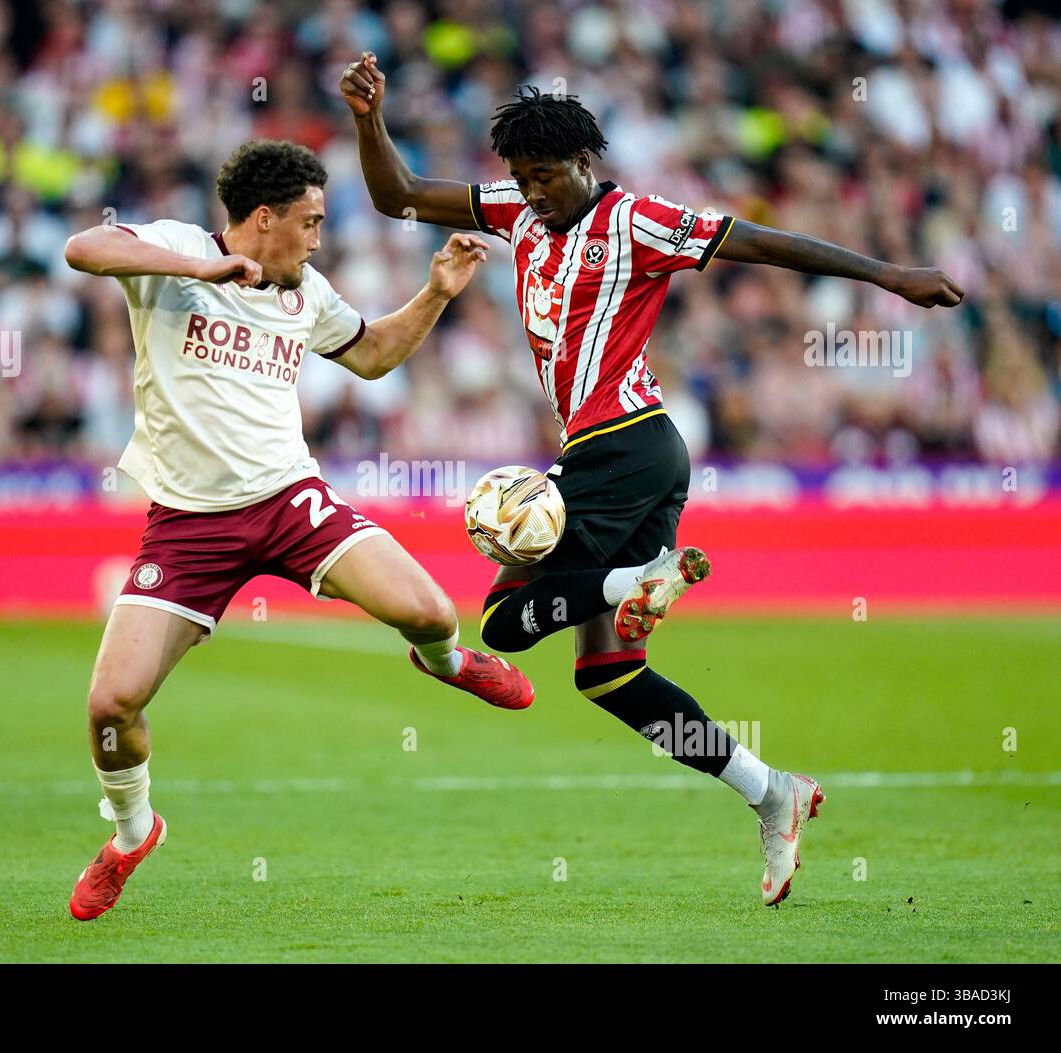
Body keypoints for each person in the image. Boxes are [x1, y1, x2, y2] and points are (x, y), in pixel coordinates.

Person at [340, 54, 964, 905]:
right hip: (638, 455)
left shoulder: (637, 221)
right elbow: (397, 195)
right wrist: (369, 118)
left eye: (547, 176)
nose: (533, 193)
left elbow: (762, 243)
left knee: (503, 623)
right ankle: (771, 790)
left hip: (620, 445)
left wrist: (890, 277)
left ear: (585, 164)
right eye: (522, 178)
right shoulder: (516, 216)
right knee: (609, 676)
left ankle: (642, 578)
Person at [63, 139, 533, 921]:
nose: (320, 239)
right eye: (310, 223)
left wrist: (437, 292)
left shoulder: (305, 290)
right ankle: (130, 835)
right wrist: (201, 272)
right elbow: (85, 247)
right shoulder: (178, 248)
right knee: (111, 705)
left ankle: (448, 663)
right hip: (187, 528)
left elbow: (375, 353)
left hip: (289, 500)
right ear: (263, 218)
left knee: (434, 613)